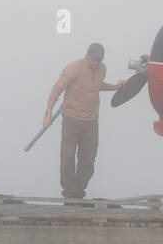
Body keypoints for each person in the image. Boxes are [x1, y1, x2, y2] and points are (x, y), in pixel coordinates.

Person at [44, 43, 124, 199]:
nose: (96, 63)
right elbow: (56, 90)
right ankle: (68, 193)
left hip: (91, 121)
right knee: (67, 157)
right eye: (93, 59)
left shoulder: (102, 68)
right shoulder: (74, 68)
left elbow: (96, 86)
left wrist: (116, 87)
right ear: (87, 55)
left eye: (99, 60)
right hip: (71, 119)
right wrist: (48, 113)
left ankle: (78, 192)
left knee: (88, 159)